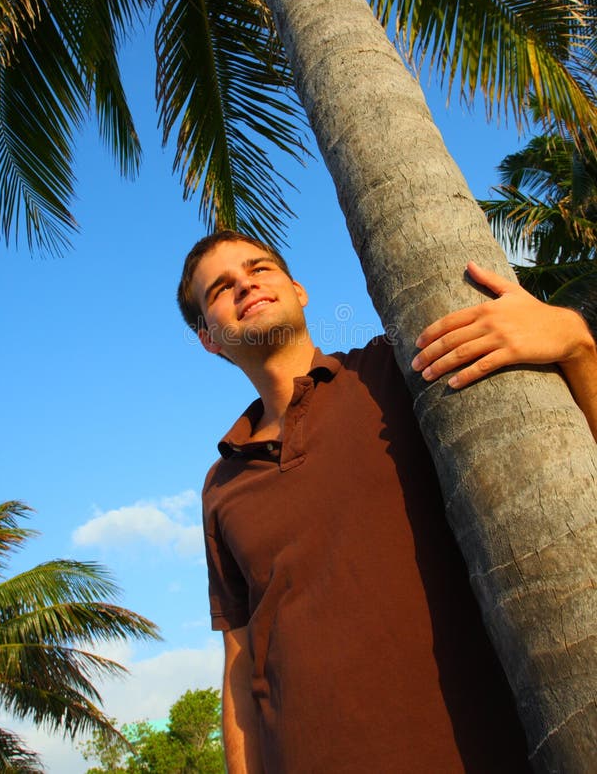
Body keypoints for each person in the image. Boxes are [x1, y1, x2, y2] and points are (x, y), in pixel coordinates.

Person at [177, 231, 597, 774]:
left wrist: (577, 344)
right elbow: (240, 658)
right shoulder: (222, 482)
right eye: (220, 288)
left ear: (299, 290)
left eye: (259, 268)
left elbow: (571, 475)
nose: (245, 285)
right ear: (208, 338)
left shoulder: (398, 367)